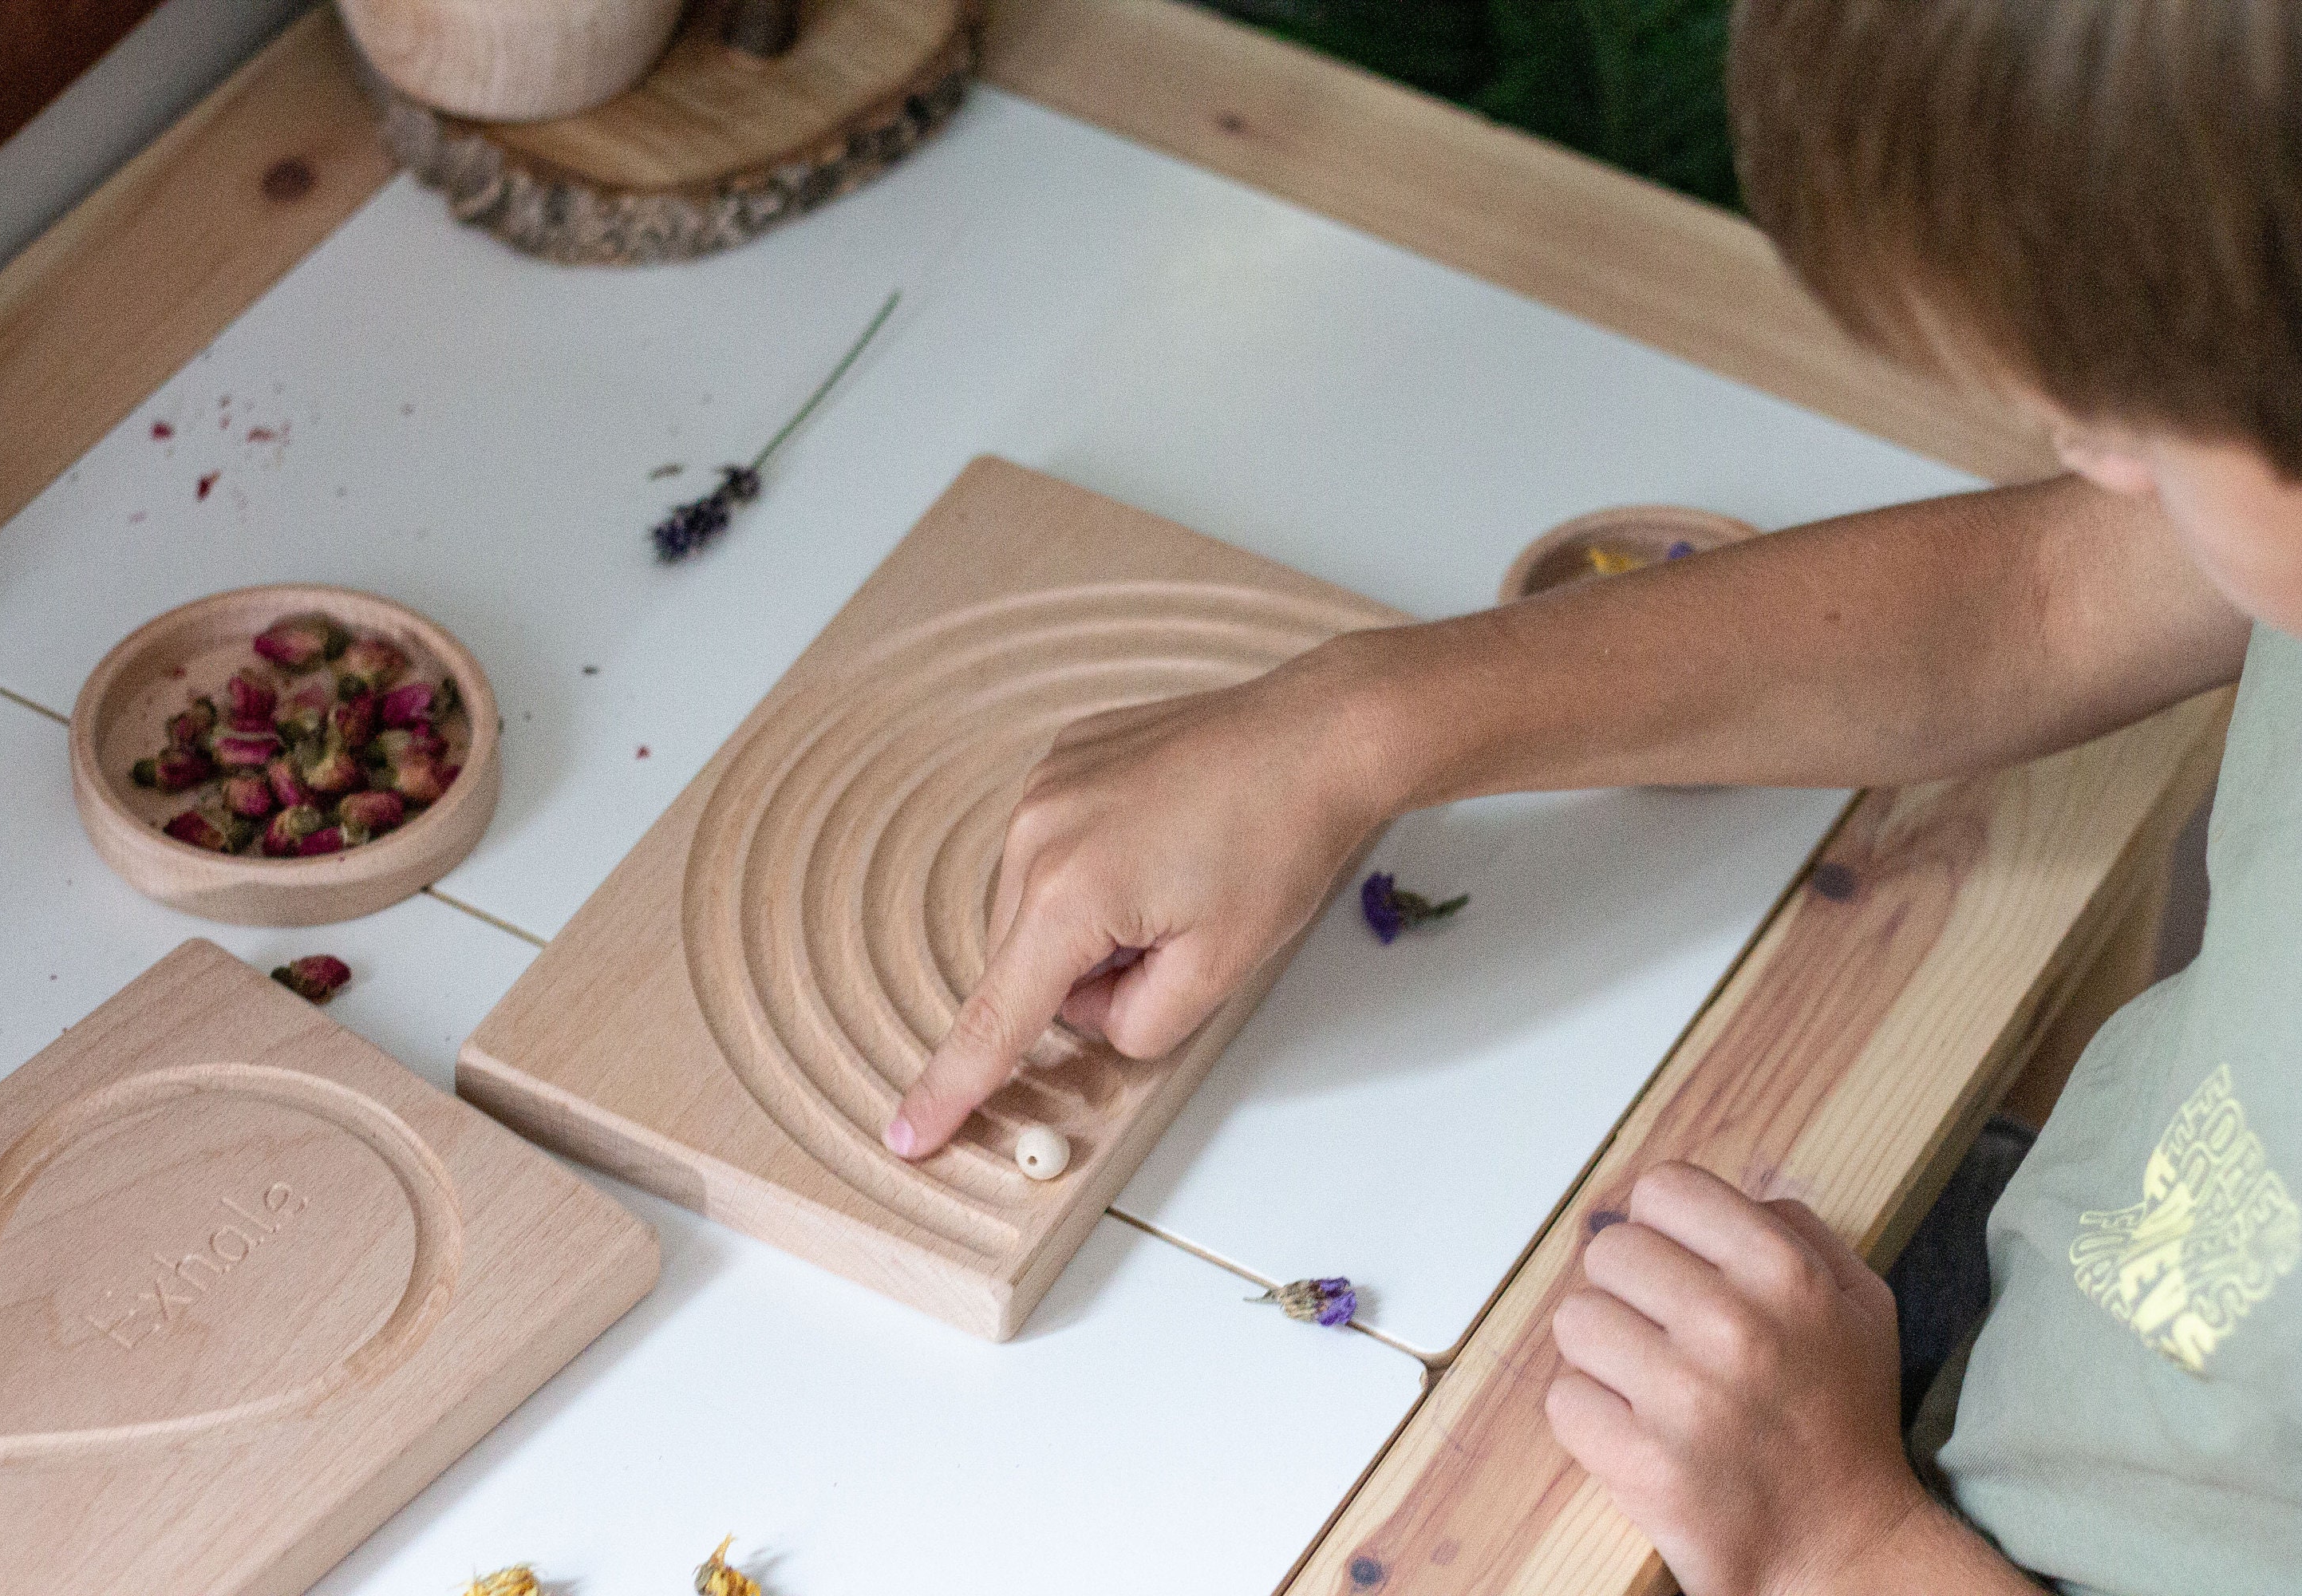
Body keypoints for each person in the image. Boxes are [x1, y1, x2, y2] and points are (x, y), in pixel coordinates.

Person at [884, 2, 2301, 1590]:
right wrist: (1353, 727)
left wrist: (1838, 1539)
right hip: (2081, 1349)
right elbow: (2044, 602)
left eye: (2139, 427)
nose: (2084, 457)